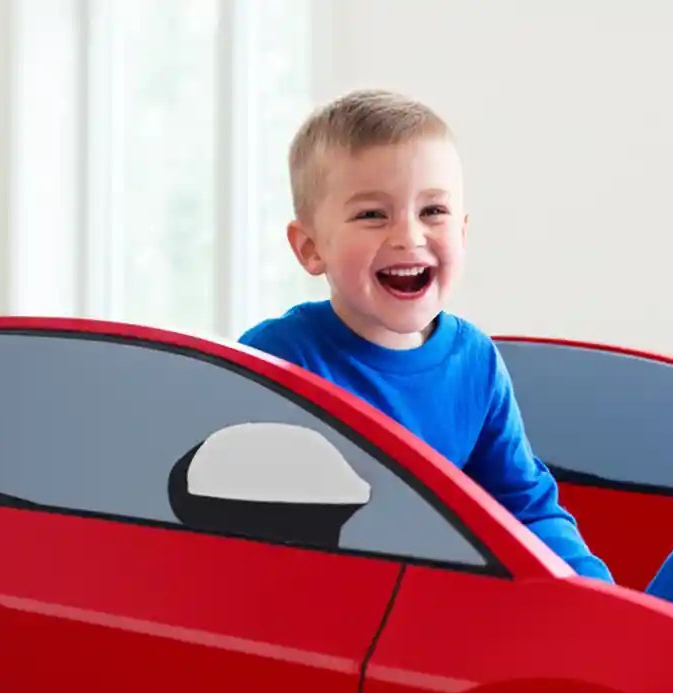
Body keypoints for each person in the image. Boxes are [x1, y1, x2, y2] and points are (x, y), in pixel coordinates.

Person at [237, 89, 614, 582]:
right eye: (372, 214)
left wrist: (594, 594)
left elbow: (525, 507)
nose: (409, 236)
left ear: (462, 231)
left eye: (432, 211)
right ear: (311, 248)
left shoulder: (474, 361)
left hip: (440, 601)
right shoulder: (278, 361)